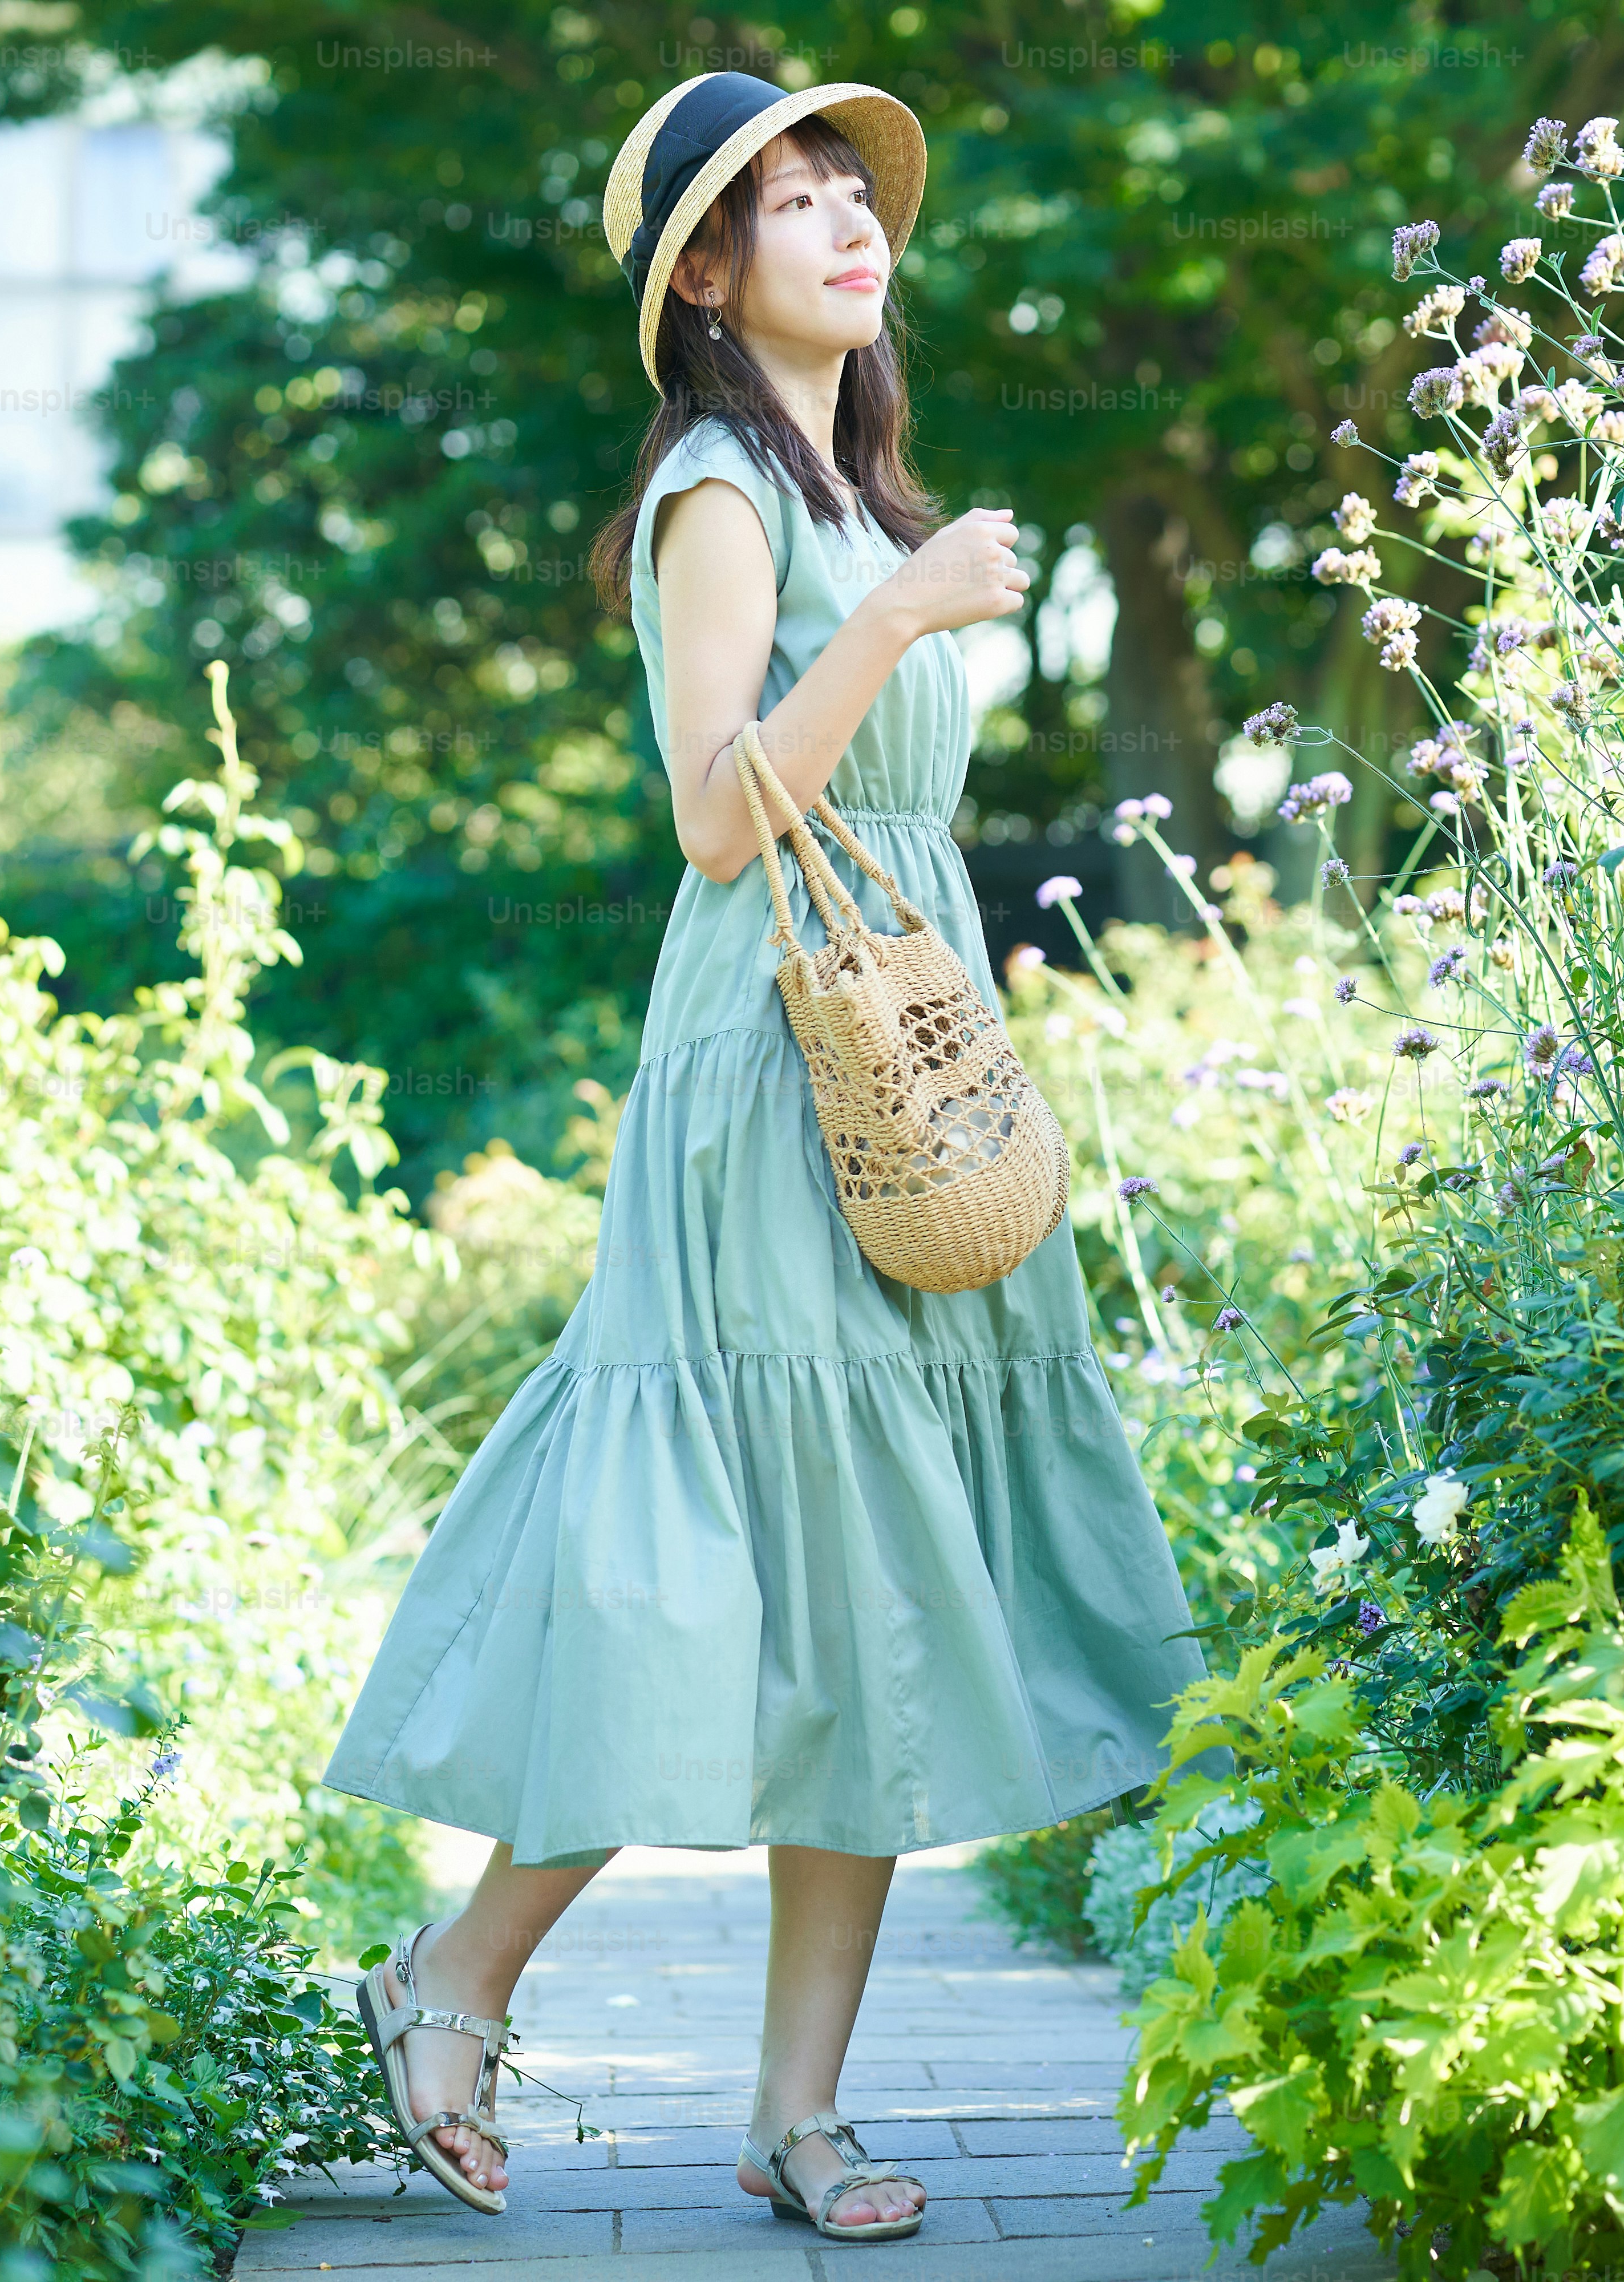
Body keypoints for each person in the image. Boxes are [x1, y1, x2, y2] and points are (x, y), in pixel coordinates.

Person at [320, 67, 1204, 2245]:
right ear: (704, 279)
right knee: (702, 1559)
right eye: (782, 203)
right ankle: (455, 1975)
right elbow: (720, 814)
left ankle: (798, 2118)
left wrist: (906, 602)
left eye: (846, 191)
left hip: (899, 1063)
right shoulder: (725, 488)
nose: (839, 223)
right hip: (760, 1074)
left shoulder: (871, 500)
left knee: (881, 1581)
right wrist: (899, 628)